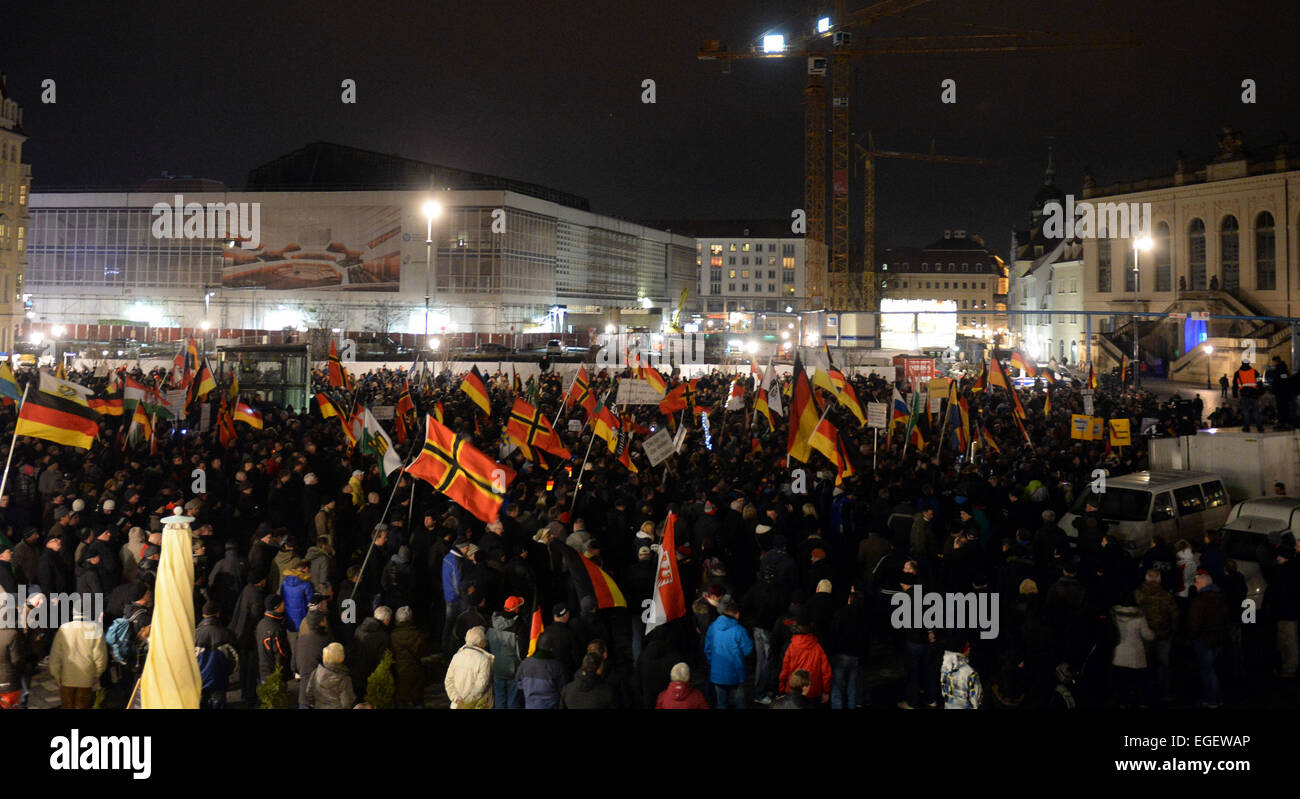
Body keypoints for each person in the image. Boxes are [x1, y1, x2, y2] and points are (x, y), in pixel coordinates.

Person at [47, 603, 107, 709]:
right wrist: (97, 674)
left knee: (67, 705)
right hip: (87, 677)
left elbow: (55, 655)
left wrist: (56, 675)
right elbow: (100, 656)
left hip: (66, 676)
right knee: (82, 704)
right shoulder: (95, 629)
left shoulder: (64, 628)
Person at [1134, 569, 1179, 702]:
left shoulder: (1138, 594)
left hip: (1144, 635)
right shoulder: (1166, 596)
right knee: (1164, 664)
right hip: (1164, 635)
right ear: (1159, 580)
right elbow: (1175, 615)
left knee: (1144, 663)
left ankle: (1144, 694)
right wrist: (1173, 630)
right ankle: (1164, 692)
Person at [703, 595, 753, 708]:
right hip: (736, 674)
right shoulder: (739, 630)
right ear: (737, 614)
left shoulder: (713, 627)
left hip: (717, 674)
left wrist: (714, 663)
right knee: (740, 703)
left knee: (721, 704)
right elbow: (748, 650)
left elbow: (708, 649)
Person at [1187, 570, 1228, 708]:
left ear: (1203, 583)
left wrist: (1191, 637)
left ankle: (1212, 699)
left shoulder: (1199, 600)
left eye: (1197, 582)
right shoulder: (1220, 597)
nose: (1195, 584)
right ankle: (1215, 698)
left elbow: (1194, 623)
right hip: (1218, 637)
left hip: (1204, 639)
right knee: (1212, 669)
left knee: (1207, 671)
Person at [1110, 592, 1154, 708]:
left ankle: (1123, 702)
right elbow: (1146, 634)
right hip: (1136, 653)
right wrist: (1155, 634)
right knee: (1139, 681)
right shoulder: (1139, 615)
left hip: (1119, 652)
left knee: (1122, 681)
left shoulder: (1114, 614)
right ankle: (1140, 702)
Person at [195, 600, 239, 710]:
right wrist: (228, 672)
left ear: (203, 615)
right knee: (219, 703)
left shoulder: (194, 634)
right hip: (219, 677)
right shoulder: (226, 633)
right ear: (218, 614)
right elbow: (234, 657)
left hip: (199, 678)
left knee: (199, 703)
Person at [486, 596, 528, 709]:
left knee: (499, 700)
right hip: (513, 670)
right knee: (513, 702)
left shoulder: (491, 622)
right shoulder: (519, 626)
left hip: (496, 668)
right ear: (516, 609)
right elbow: (523, 651)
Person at [779, 620, 833, 704]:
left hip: (792, 691)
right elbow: (826, 672)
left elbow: (784, 671)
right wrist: (826, 691)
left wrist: (781, 689)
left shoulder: (790, 646)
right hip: (813, 692)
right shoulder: (819, 647)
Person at [445, 626, 495, 709]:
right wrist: (467, 702)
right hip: (476, 705)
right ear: (481, 643)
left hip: (456, 704)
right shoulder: (484, 660)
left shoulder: (456, 656)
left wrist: (456, 698)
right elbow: (481, 686)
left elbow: (448, 681)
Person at [390, 605, 429, 709]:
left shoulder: (392, 636)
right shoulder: (418, 634)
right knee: (418, 700)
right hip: (415, 671)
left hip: (399, 672)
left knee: (401, 701)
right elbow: (423, 651)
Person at [515, 642, 568, 709]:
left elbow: (518, 682)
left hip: (530, 705)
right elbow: (563, 688)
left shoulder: (525, 663)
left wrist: (527, 688)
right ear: (552, 649)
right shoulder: (557, 666)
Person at [305, 642, 356, 709]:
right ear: (341, 657)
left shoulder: (316, 672)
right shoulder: (344, 678)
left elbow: (309, 693)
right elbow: (346, 703)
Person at [256, 594, 290, 684]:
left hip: (263, 668)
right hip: (274, 672)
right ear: (276, 607)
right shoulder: (276, 629)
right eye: (282, 603)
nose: (284, 605)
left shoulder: (261, 623)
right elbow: (280, 653)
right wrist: (283, 671)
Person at [939, 640, 982, 710]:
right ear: (965, 650)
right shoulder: (969, 671)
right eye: (968, 647)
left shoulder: (945, 667)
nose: (969, 649)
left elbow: (944, 690)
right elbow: (975, 697)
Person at [1233, 359, 1263, 433]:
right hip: (1254, 394)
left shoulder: (1237, 373)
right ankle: (1259, 428)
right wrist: (1261, 392)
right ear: (1249, 364)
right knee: (1256, 412)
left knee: (1245, 412)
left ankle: (1246, 427)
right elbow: (1259, 382)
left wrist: (1235, 394)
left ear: (1242, 363)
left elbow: (1235, 385)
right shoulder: (1254, 371)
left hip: (1244, 394)